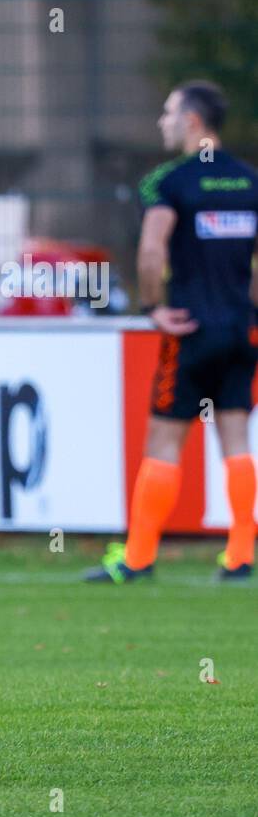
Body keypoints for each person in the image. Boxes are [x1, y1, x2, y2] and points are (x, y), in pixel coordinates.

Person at [86, 81, 258, 583]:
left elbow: (151, 250)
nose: (162, 122)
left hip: (189, 332)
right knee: (236, 439)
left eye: (168, 113)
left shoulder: (169, 181)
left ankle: (138, 559)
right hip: (241, 330)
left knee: (164, 442)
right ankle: (240, 557)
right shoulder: (248, 180)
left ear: (192, 121)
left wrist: (154, 307)